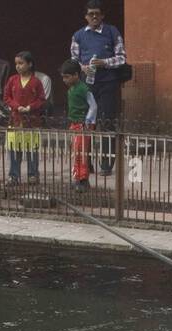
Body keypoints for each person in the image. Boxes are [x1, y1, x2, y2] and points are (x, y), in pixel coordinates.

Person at [69, 3, 126, 175]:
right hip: (87, 84)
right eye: (91, 14)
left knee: (107, 122)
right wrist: (82, 67)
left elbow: (122, 57)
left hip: (108, 82)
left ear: (102, 16)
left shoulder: (112, 31)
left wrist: (104, 62)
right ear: (86, 17)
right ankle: (87, 163)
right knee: (86, 123)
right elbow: (73, 59)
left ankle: (106, 164)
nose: (94, 17)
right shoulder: (78, 35)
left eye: (97, 14)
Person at [3, 51, 46, 184]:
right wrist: (16, 106)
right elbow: (6, 97)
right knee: (14, 150)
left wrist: (30, 107)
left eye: (21, 63)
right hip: (15, 120)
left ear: (30, 64)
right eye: (16, 63)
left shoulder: (36, 82)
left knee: (32, 150)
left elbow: (42, 99)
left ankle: (33, 175)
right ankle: (13, 176)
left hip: (32, 121)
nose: (18, 66)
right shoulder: (12, 80)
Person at [61, 60, 98, 191]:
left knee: (82, 153)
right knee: (76, 152)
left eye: (67, 77)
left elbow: (93, 106)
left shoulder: (84, 89)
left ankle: (83, 180)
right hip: (74, 123)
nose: (65, 80)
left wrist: (87, 121)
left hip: (83, 124)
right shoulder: (71, 89)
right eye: (63, 77)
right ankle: (77, 177)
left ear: (76, 75)